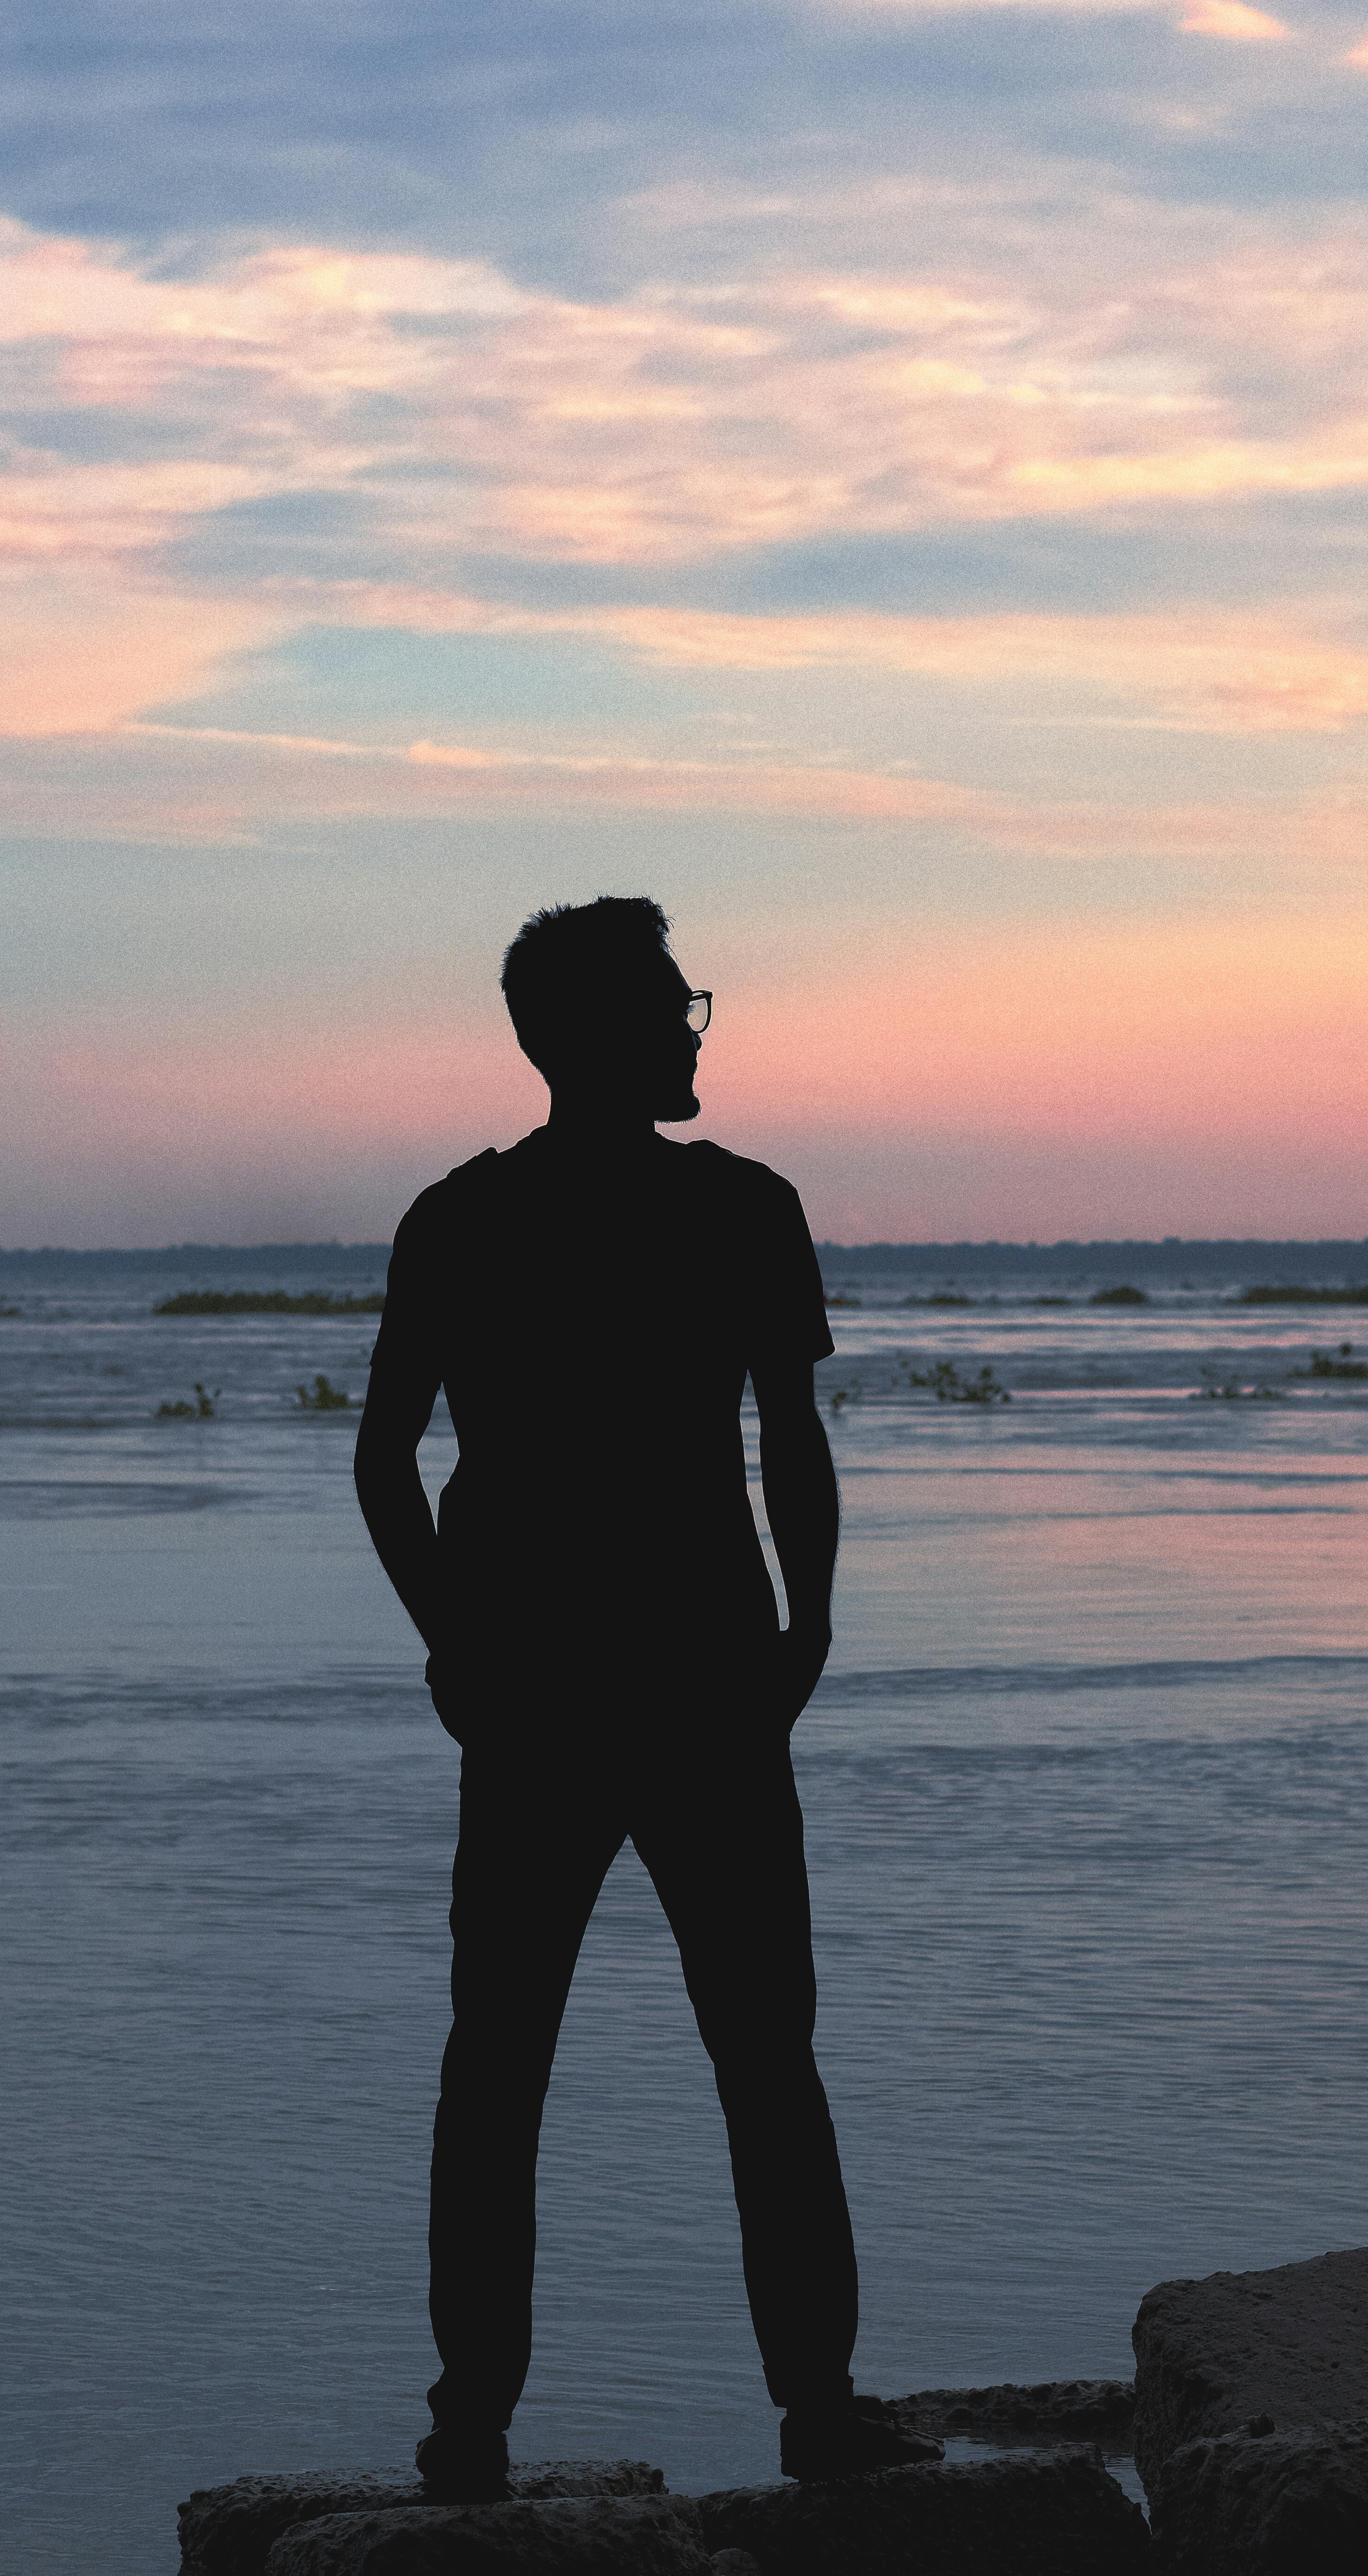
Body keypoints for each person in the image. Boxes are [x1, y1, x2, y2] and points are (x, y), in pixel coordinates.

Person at [354, 894, 941, 2495]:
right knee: (741, 2053)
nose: (694, 1031)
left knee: (525, 2062)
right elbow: (789, 1447)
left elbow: (390, 1463)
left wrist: (458, 1645)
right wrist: (801, 1627)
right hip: (673, 1677)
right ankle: (794, 2413)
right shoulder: (727, 1210)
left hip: (596, 1682)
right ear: (592, 1036)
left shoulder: (480, 1217)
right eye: (678, 1006)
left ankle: (480, 2427)